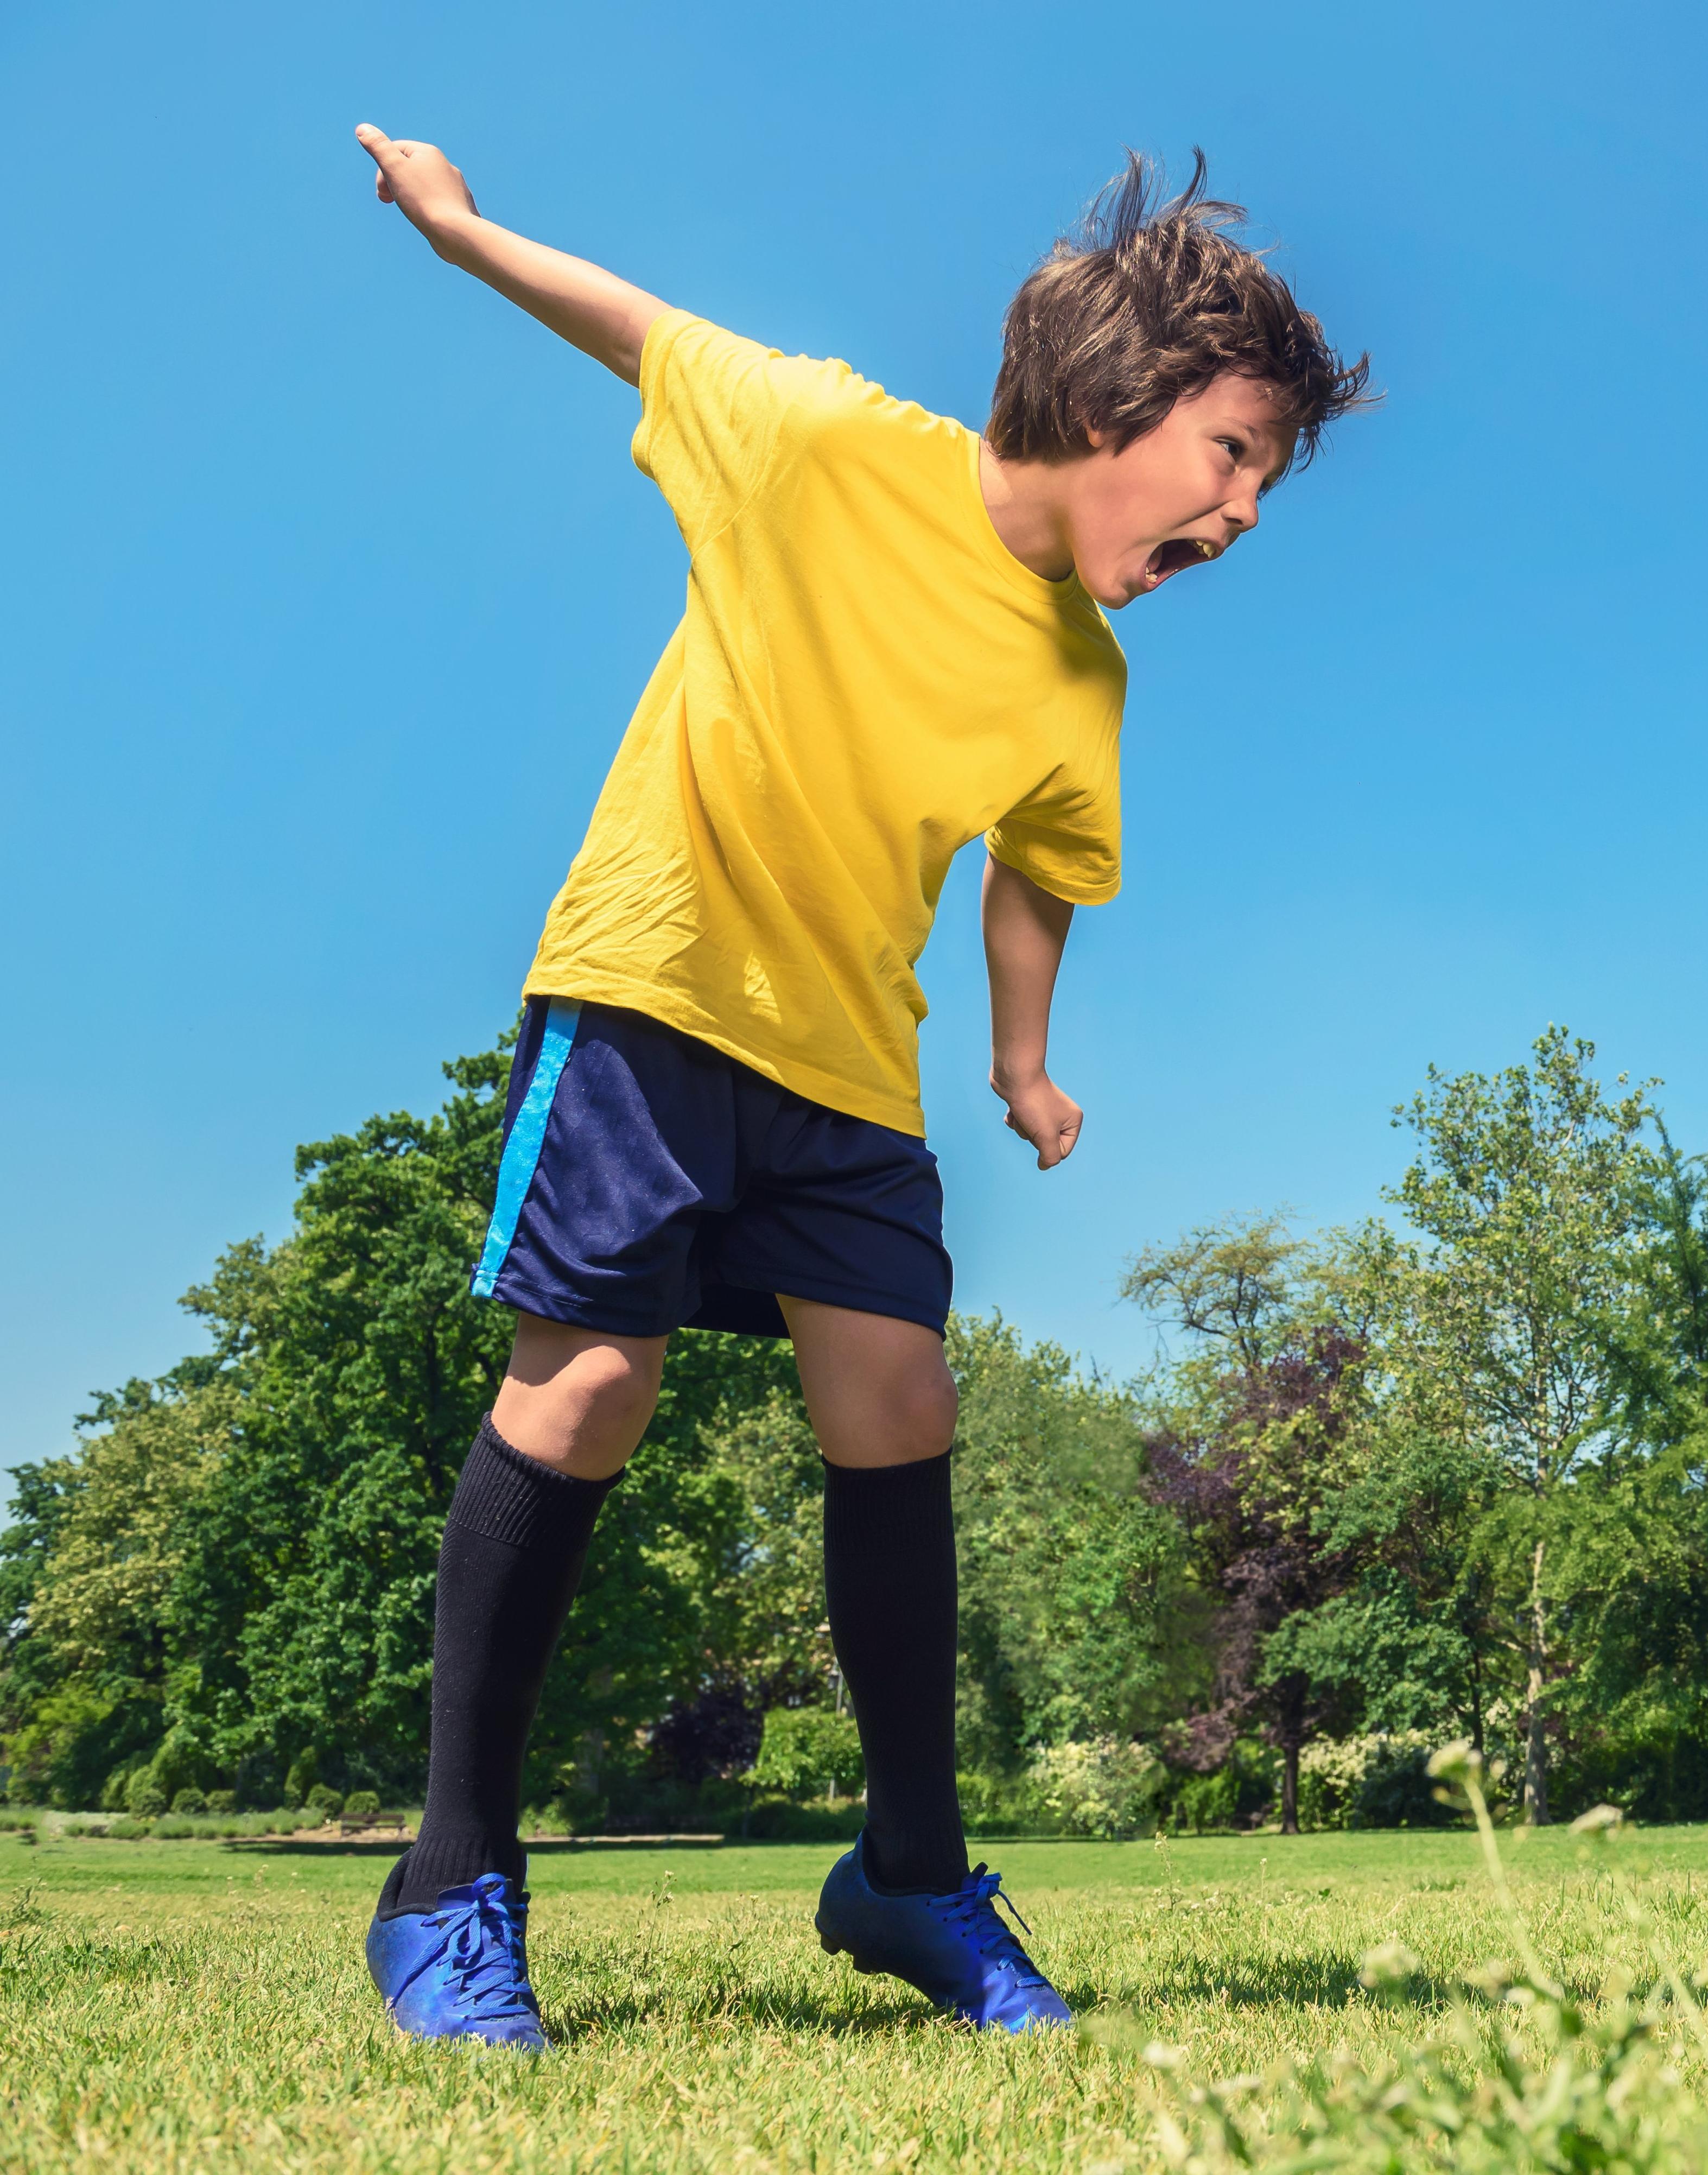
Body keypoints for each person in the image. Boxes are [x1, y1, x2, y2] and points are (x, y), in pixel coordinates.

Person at [347, 122, 1371, 2049]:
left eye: (1263, 485)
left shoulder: (1083, 680)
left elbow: (1042, 865)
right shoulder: (823, 446)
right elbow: (640, 330)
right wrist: (461, 227)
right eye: (1231, 455)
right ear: (1116, 395)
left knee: (899, 1399)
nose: (1240, 518)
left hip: (842, 1068)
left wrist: (1022, 1060)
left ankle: (909, 1880)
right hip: (652, 993)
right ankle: (448, 1886)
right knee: (584, 1389)